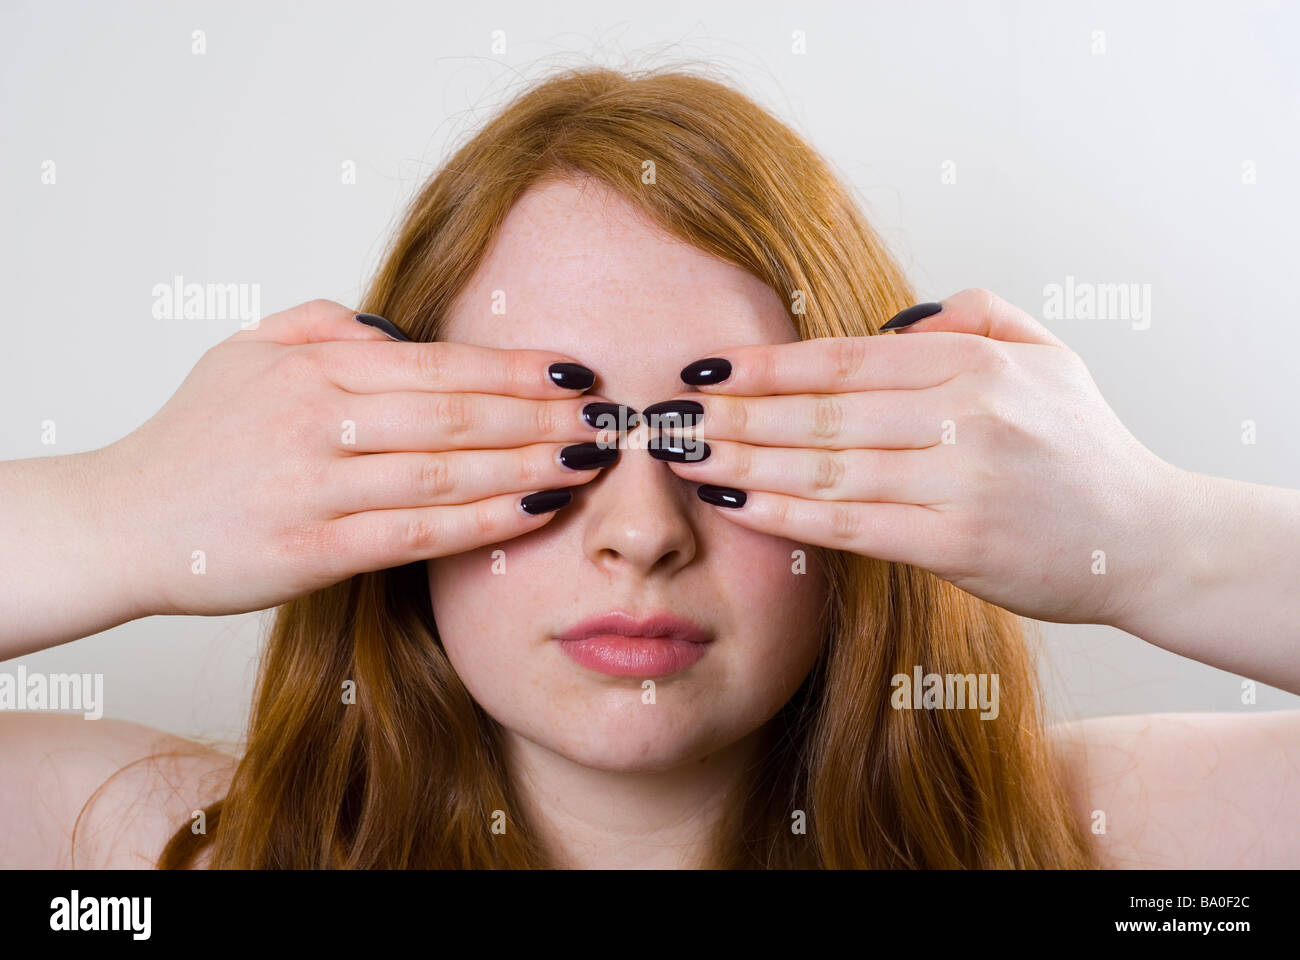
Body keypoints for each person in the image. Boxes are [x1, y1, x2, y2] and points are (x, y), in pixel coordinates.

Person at [2, 67, 1297, 869]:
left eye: (715, 437)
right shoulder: (171, 851)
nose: (641, 533)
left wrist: (1148, 536)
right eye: (545, 441)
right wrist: (119, 515)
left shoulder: (1094, 843)